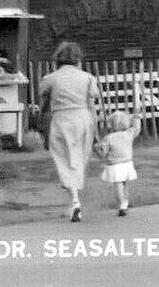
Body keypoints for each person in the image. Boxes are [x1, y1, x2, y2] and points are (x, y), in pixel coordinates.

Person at [38, 41, 100, 222]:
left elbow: (44, 102)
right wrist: (95, 129)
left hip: (61, 119)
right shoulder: (87, 78)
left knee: (64, 159)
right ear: (78, 59)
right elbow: (91, 104)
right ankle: (75, 194)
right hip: (83, 118)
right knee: (79, 158)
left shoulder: (50, 78)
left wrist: (42, 121)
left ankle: (74, 200)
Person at [95, 110, 141, 217]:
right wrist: (136, 118)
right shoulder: (129, 134)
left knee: (118, 185)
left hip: (115, 165)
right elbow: (137, 128)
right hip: (127, 163)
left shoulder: (109, 138)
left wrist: (97, 149)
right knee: (124, 183)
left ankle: (122, 205)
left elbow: (104, 153)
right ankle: (125, 202)